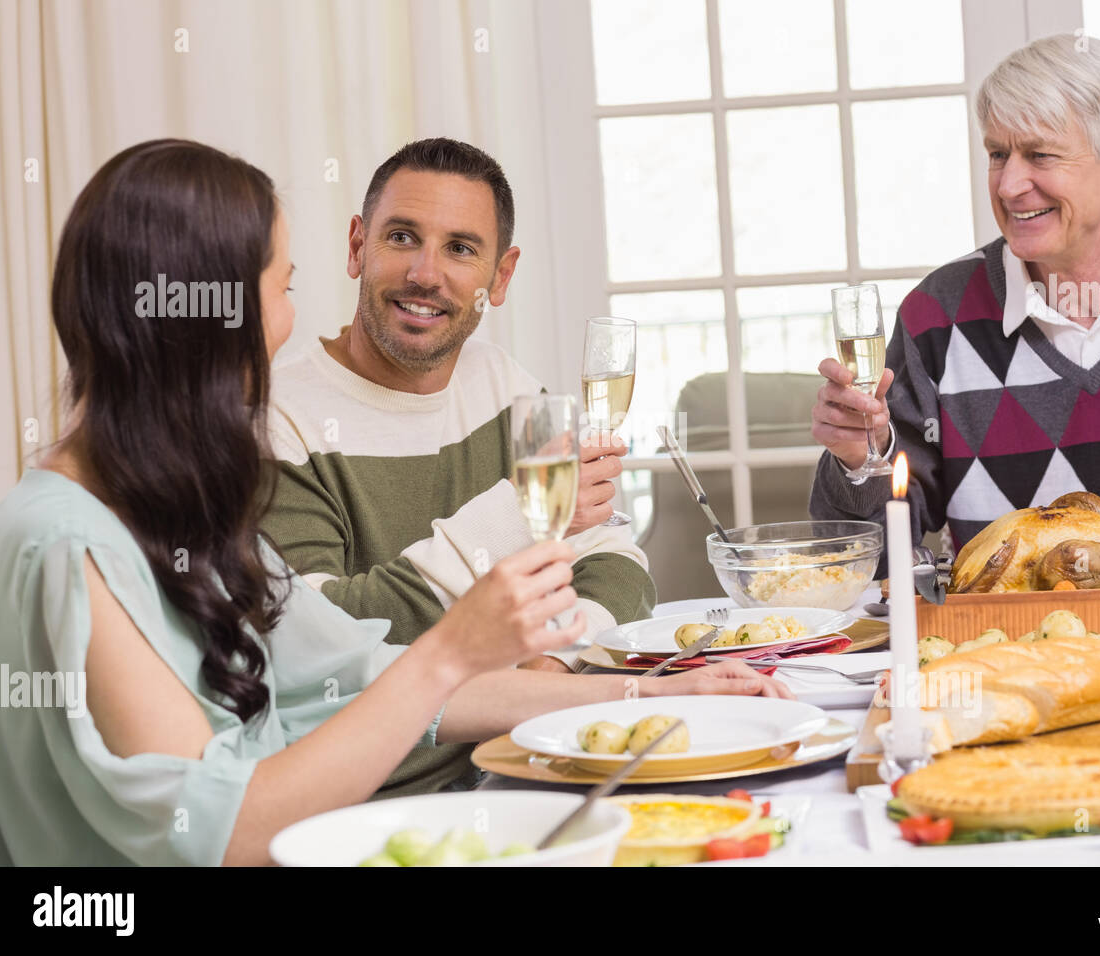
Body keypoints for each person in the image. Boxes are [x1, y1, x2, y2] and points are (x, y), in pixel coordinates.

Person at [0, 139, 783, 865]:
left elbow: (360, 673)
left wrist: (661, 689)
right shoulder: (63, 544)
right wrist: (453, 645)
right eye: (280, 288)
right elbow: (224, 832)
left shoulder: (175, 510)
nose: (288, 325)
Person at [261, 138, 783, 796]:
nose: (427, 273)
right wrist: (517, 517)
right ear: (357, 247)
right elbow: (326, 642)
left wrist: (557, 667)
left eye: (460, 248)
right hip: (376, 800)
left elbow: (615, 563)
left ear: (498, 278)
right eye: (401, 237)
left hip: (524, 756)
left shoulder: (505, 387)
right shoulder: (280, 417)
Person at [810, 34, 1100, 555]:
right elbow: (861, 559)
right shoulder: (936, 316)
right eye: (997, 153)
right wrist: (859, 462)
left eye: (1039, 154)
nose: (1009, 184)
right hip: (1011, 640)